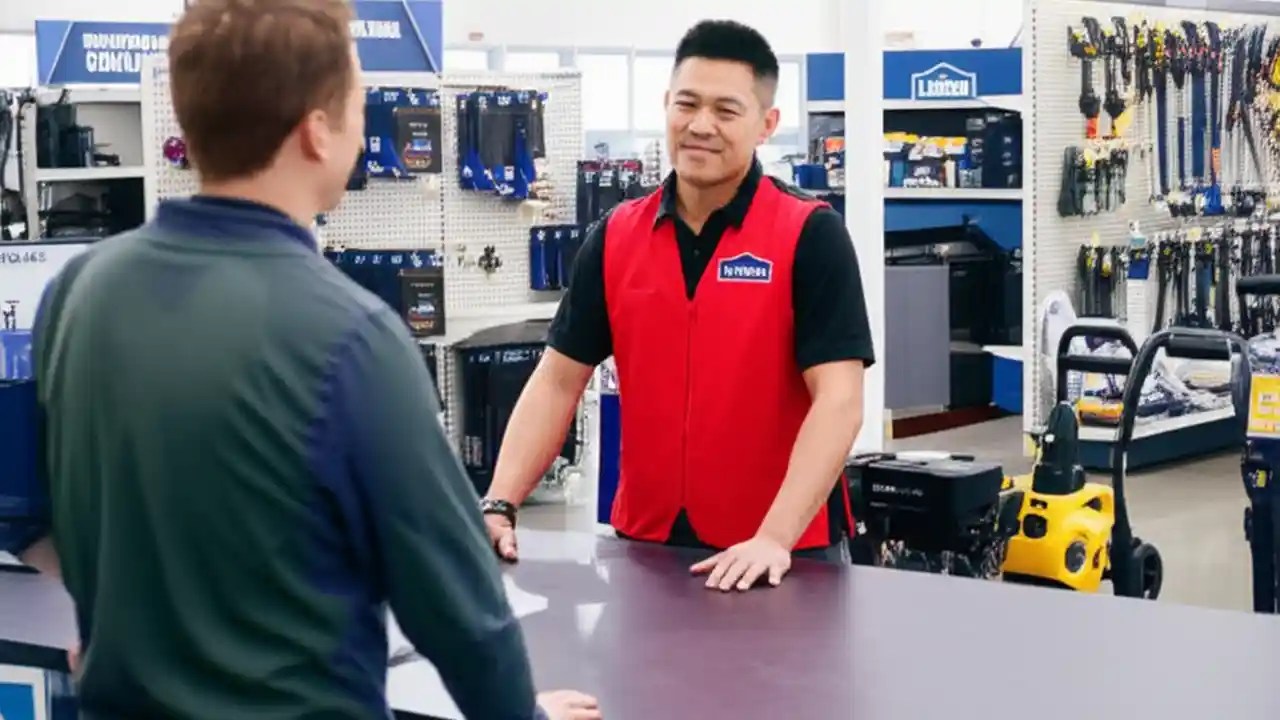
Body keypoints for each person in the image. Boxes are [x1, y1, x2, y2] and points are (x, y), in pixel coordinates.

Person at [23, 1, 599, 718]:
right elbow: (460, 610)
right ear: (317, 134)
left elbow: (27, 509)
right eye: (355, 104)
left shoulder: (77, 295)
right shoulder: (352, 337)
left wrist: (110, 631)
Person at [482, 20, 875, 592]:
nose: (700, 126)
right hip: (650, 548)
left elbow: (839, 402)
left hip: (785, 555)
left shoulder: (808, 234)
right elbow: (557, 381)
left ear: (767, 125)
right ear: (666, 104)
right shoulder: (617, 236)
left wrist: (774, 537)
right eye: (686, 104)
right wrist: (500, 500)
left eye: (726, 110)